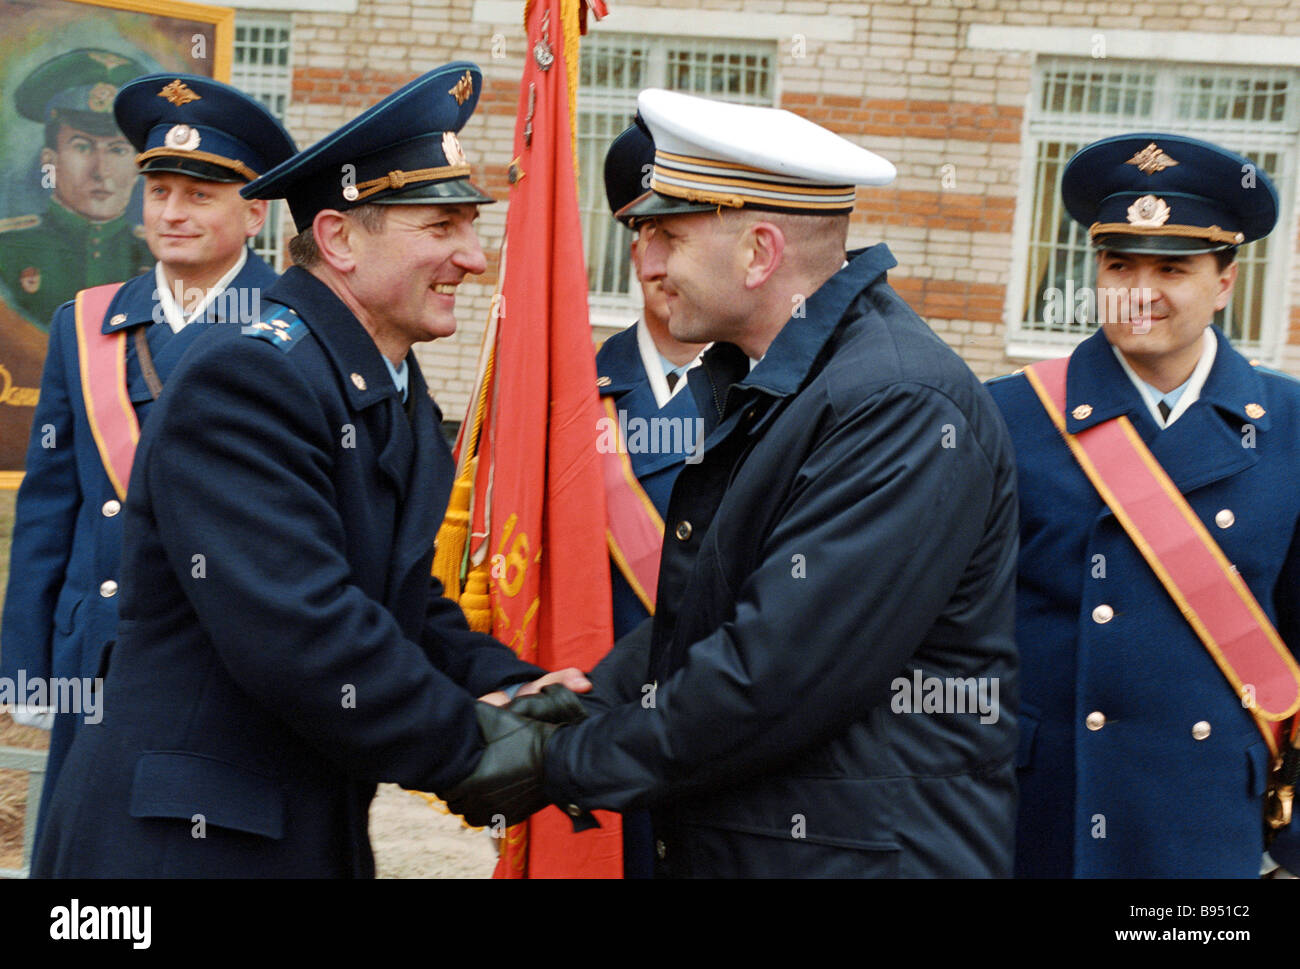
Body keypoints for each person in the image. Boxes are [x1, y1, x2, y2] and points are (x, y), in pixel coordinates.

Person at [446, 89, 1022, 877]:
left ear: (759, 252)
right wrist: (582, 702)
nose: (642, 262)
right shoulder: (783, 379)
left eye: (667, 235)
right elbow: (713, 603)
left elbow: (777, 672)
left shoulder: (895, 401)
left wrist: (561, 757)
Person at [33, 62, 587, 878]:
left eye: (471, 226)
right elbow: (303, 626)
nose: (473, 258)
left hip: (286, 828)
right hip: (181, 846)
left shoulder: (375, 378)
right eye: (441, 227)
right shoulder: (251, 379)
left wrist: (522, 686)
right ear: (337, 239)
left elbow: (399, 598)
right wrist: (479, 746)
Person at [985, 133, 1300, 878]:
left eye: (1172, 268)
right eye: (1118, 264)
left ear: (1225, 281)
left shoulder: (1288, 425)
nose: (1138, 290)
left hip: (1207, 817)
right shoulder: (1008, 415)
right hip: (1042, 813)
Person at [2, 73, 299, 851]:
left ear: (255, 209)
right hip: (93, 653)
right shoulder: (86, 323)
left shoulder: (293, 327)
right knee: (80, 865)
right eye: (160, 190)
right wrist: (28, 661)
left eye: (200, 195)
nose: (172, 213)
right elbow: (49, 505)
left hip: (222, 659)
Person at [596, 122, 706, 878]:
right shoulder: (566, 391)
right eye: (647, 232)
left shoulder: (791, 398)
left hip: (727, 736)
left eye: (686, 232)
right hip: (596, 736)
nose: (663, 258)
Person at [0, 49, 152, 327]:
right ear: (50, 159)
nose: (101, 171)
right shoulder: (8, 251)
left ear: (138, 167)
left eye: (118, 150)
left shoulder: (159, 256)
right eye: (82, 147)